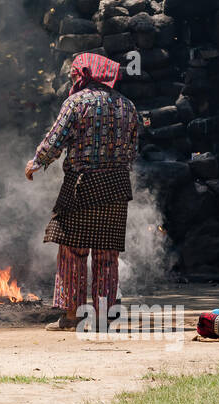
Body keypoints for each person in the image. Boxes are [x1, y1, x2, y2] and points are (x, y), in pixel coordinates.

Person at [25, 53, 139, 331]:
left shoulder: (77, 103)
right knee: (107, 255)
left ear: (85, 75)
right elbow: (133, 151)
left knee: (72, 252)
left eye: (75, 74)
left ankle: (72, 316)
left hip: (82, 186)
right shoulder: (128, 106)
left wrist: (37, 162)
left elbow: (57, 137)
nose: (73, 79)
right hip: (117, 187)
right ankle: (102, 318)